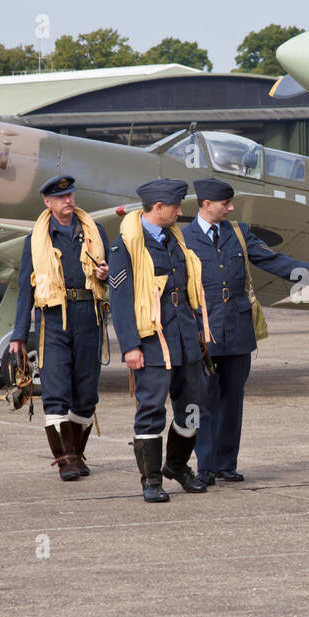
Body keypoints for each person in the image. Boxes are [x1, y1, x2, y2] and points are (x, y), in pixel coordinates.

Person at [185, 177, 309, 486]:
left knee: (232, 399)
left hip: (237, 330)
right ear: (207, 205)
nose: (232, 208)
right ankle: (204, 466)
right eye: (226, 204)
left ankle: (226, 464)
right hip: (202, 332)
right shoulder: (184, 238)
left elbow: (273, 260)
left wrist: (306, 271)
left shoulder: (239, 233)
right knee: (203, 401)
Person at [107, 178, 213, 503]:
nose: (181, 212)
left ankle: (177, 467)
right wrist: (129, 347)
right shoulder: (124, 246)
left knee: (194, 407)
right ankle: (151, 481)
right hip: (151, 344)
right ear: (158, 208)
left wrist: (197, 329)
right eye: (176, 207)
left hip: (185, 342)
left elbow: (185, 291)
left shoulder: (175, 240)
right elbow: (121, 300)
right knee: (151, 411)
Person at [9, 175, 110, 482]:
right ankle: (64, 458)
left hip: (89, 316)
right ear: (48, 202)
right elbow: (25, 287)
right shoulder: (37, 239)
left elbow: (115, 275)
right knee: (55, 391)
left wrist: (106, 274)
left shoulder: (95, 232)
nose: (69, 200)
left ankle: (77, 453)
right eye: (61, 197)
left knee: (86, 395)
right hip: (53, 319)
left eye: (71, 195)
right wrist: (18, 334)